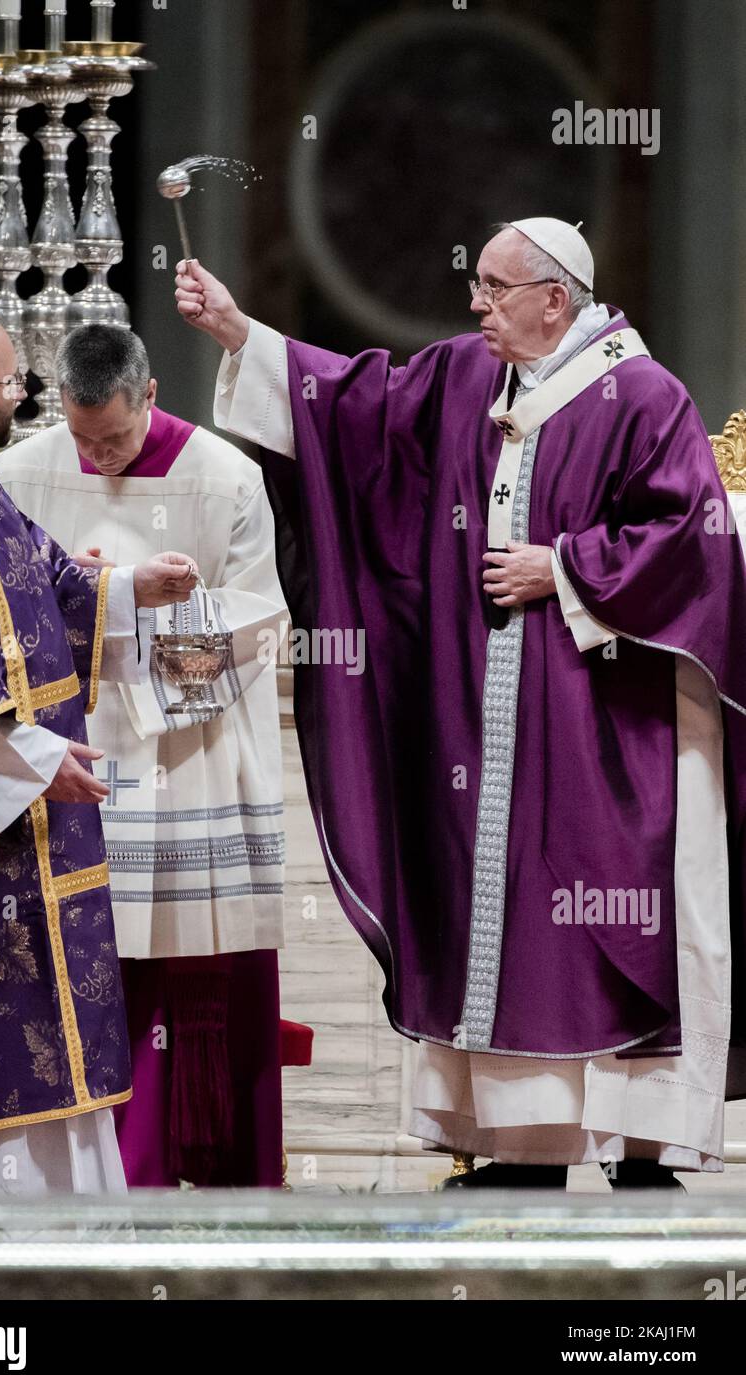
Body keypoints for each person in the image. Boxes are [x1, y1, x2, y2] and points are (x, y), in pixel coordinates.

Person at [174, 218, 746, 1190]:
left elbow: (691, 541)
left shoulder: (642, 395)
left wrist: (561, 567)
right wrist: (242, 334)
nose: (473, 304)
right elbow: (358, 404)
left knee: (600, 923)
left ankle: (632, 1147)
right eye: (476, 286)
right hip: (486, 723)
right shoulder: (470, 378)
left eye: (492, 288)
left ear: (553, 299)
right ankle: (518, 1147)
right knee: (502, 917)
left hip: (603, 723)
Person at [0, 305, 198, 1196]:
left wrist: (135, 587)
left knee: (44, 1023)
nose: (23, 397)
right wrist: (27, 761)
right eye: (15, 382)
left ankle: (64, 1229)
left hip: (25, 828)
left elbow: (47, 580)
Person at [0, 324, 288, 1187]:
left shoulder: (226, 477)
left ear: (150, 397)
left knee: (193, 974)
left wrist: (119, 612)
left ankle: (199, 1174)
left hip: (190, 759)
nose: (98, 457)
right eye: (83, 439)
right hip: (68, 759)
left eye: (114, 438)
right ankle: (77, 1184)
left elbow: (258, 623)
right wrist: (98, 595)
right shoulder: (20, 473)